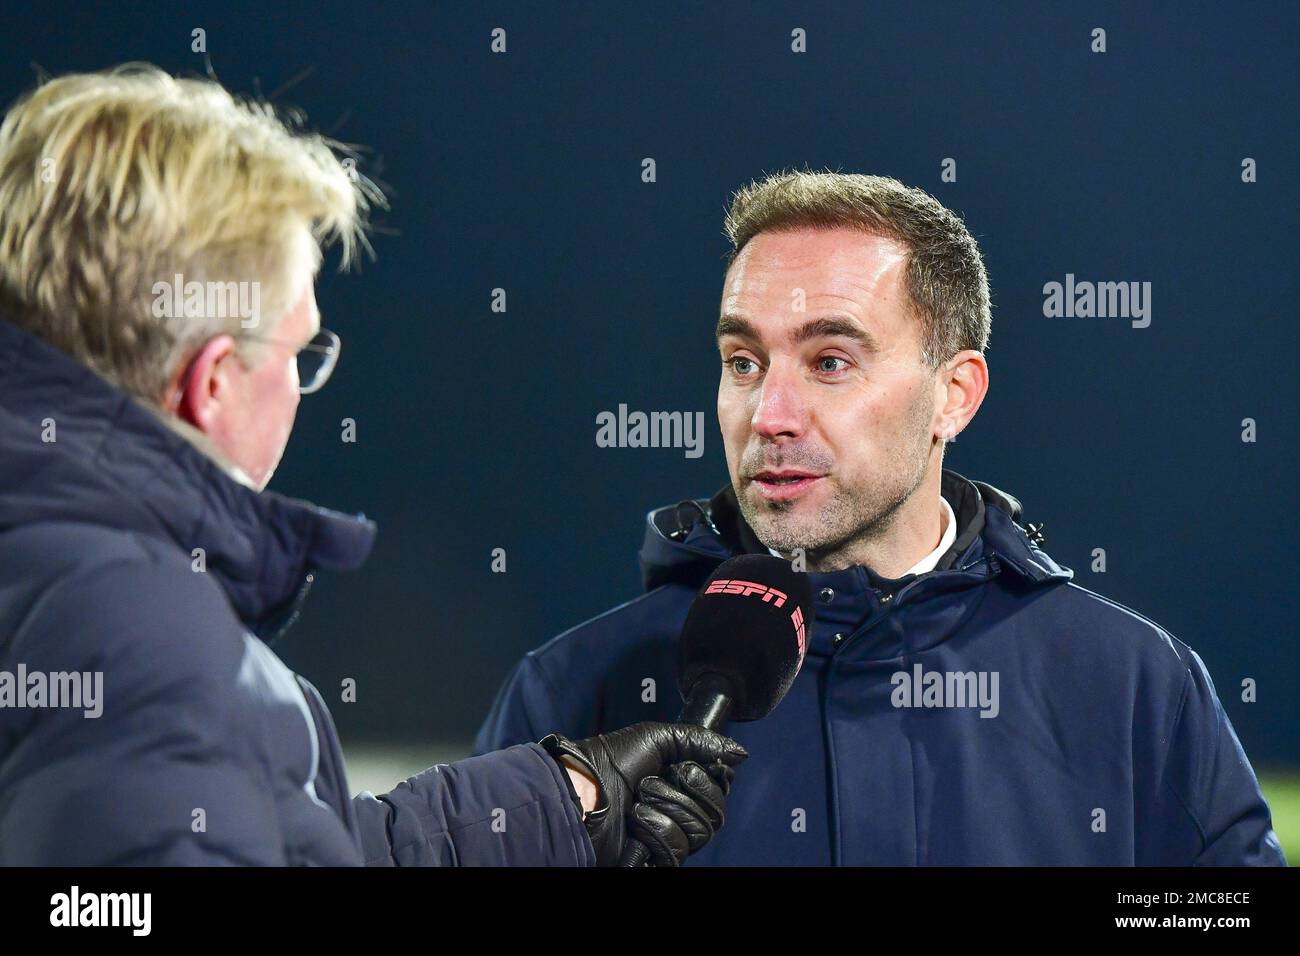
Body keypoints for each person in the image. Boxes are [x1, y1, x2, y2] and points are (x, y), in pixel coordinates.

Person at [0, 64, 743, 867]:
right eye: (300, 353)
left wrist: (565, 798)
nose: (304, 386)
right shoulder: (144, 639)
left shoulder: (58, 580)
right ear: (212, 383)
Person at [477, 170, 1287, 866]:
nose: (770, 414)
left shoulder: (1134, 684)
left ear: (954, 396)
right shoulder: (575, 687)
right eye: (743, 362)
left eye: (831, 361)